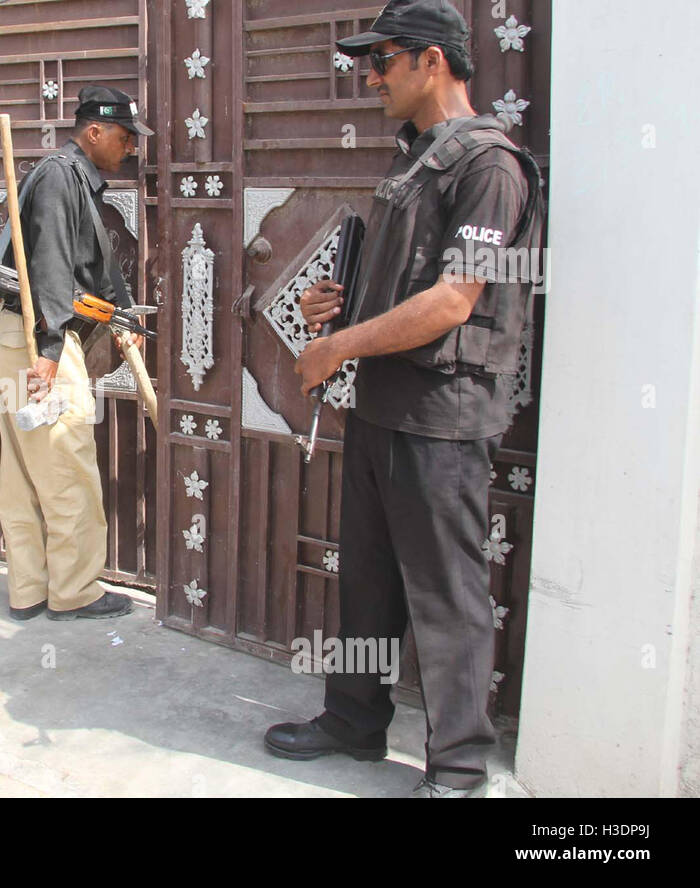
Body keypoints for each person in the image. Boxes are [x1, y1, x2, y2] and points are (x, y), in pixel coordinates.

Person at [263, 0, 545, 797]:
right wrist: (340, 307)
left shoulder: (489, 166)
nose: (370, 75)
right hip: (384, 407)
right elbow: (404, 288)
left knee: (449, 599)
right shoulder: (417, 159)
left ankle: (458, 770)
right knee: (369, 584)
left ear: (431, 61)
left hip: (444, 420)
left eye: (381, 59)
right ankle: (355, 720)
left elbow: (455, 302)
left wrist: (335, 346)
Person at [0, 85, 151, 621]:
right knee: (66, 462)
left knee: (26, 464)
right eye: (125, 137)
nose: (130, 148)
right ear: (94, 132)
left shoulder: (75, 180)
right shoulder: (60, 175)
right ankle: (76, 591)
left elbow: (93, 266)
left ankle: (29, 589)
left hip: (21, 333)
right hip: (36, 337)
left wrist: (124, 314)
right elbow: (54, 264)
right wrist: (52, 349)